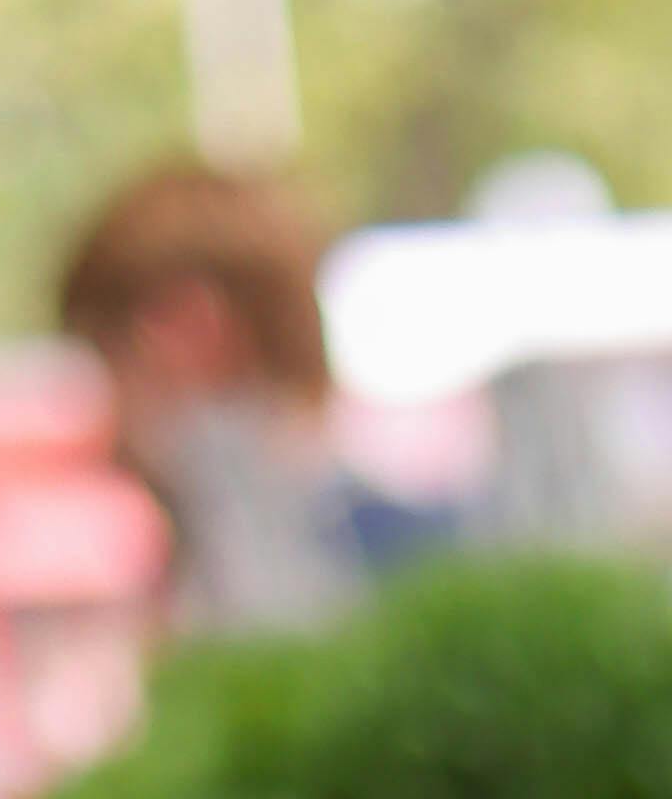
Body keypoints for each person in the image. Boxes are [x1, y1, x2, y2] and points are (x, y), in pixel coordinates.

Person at [50, 166, 431, 642]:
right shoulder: (395, 552)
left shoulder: (297, 589)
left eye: (107, 361)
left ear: (182, 326)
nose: (106, 418)